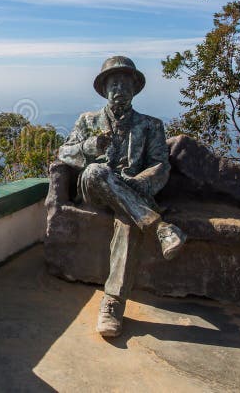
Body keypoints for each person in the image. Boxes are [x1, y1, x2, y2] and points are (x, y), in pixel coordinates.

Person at [58, 56, 186, 337]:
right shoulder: (88, 121)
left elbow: (160, 165)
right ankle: (160, 227)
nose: (119, 89)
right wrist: (91, 145)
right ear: (104, 89)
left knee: (129, 223)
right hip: (94, 189)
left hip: (132, 194)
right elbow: (63, 153)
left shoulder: (151, 125)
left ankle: (113, 303)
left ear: (134, 89)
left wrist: (140, 182)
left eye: (125, 84)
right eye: (113, 83)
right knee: (95, 171)